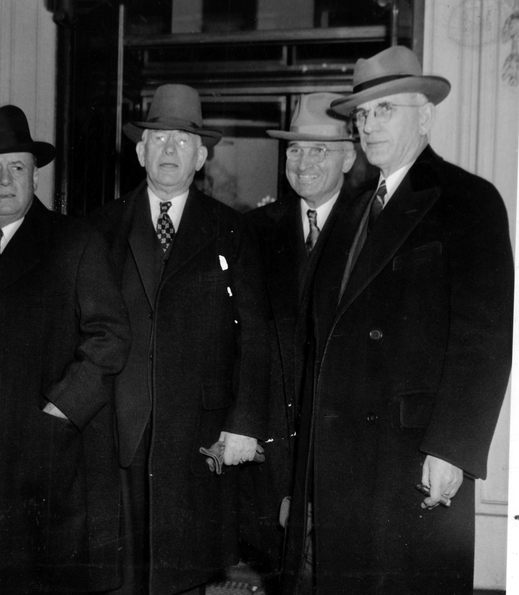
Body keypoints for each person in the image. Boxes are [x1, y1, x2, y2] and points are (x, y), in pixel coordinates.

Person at [282, 46, 514, 595]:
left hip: (413, 456)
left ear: (425, 116)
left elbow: (484, 338)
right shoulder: (353, 210)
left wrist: (453, 447)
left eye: (385, 110)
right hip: (342, 459)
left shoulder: (468, 201)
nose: (368, 127)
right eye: (362, 116)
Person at [0, 105, 131, 594]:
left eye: (18, 167)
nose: (6, 180)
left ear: (36, 176)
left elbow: (110, 335)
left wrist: (60, 411)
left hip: (35, 463)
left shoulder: (75, 241)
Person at [89, 83, 270, 595]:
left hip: (199, 435)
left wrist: (244, 424)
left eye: (183, 141)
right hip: (116, 433)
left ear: (202, 155)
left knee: (186, 576)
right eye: (159, 139)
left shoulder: (233, 231)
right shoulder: (98, 229)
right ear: (141, 150)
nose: (170, 149)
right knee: (119, 578)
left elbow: (255, 338)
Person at [242, 92, 357, 586]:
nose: (303, 163)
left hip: (341, 453)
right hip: (273, 450)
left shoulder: (369, 229)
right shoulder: (255, 229)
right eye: (294, 150)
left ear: (349, 157)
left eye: (318, 150)